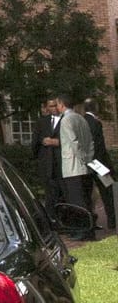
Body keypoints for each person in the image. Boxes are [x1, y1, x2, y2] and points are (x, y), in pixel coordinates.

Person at [56, 93, 95, 240]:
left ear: (62, 104)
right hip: (86, 167)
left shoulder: (66, 120)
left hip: (73, 167)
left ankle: (83, 231)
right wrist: (88, 159)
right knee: (86, 199)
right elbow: (91, 142)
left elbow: (74, 142)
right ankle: (89, 230)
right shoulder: (81, 118)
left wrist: (82, 159)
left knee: (77, 202)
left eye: (58, 104)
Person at [83, 98, 115, 229]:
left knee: (87, 194)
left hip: (86, 163)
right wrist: (108, 168)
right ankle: (112, 221)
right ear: (95, 108)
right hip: (98, 164)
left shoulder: (81, 121)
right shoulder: (96, 123)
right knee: (107, 192)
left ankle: (90, 222)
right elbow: (100, 147)